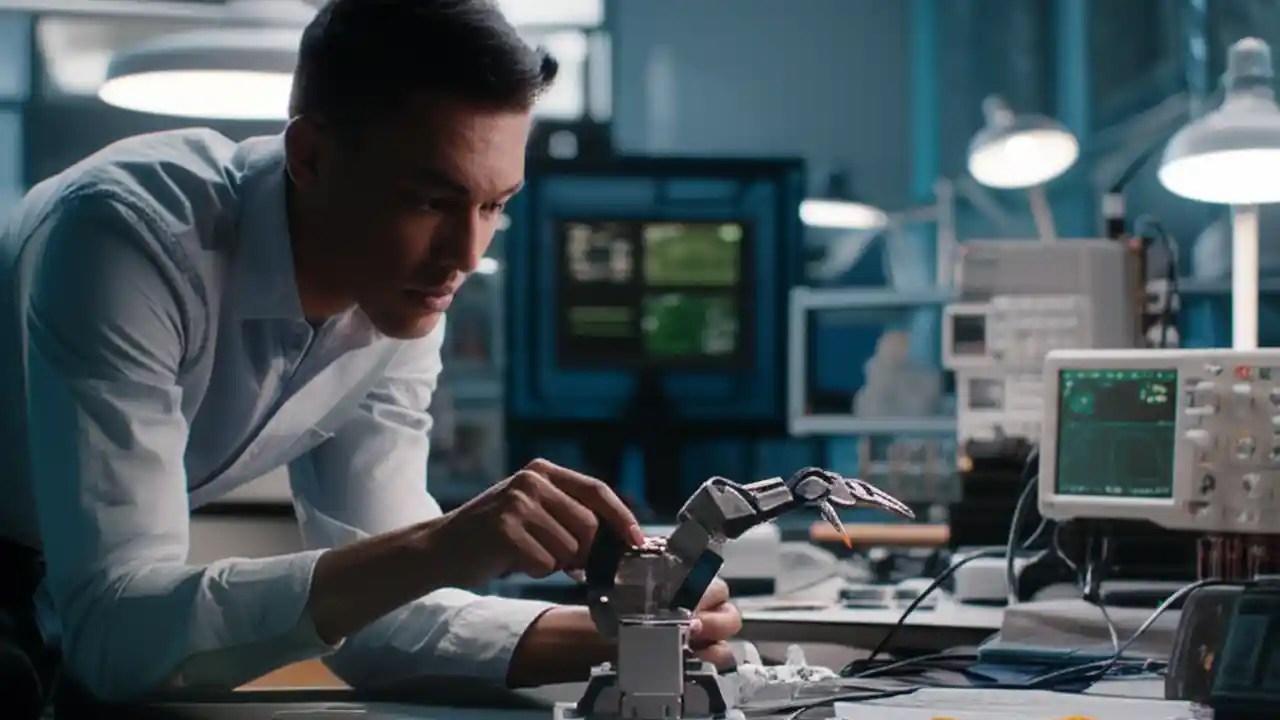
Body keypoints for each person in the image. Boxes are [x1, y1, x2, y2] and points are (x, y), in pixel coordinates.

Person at [0, 0, 741, 708]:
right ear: (311, 157)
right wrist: (441, 546)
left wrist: (631, 639)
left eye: (494, 205)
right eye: (428, 200)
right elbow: (114, 634)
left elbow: (378, 624)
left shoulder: (401, 292)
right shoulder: (125, 240)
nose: (465, 254)